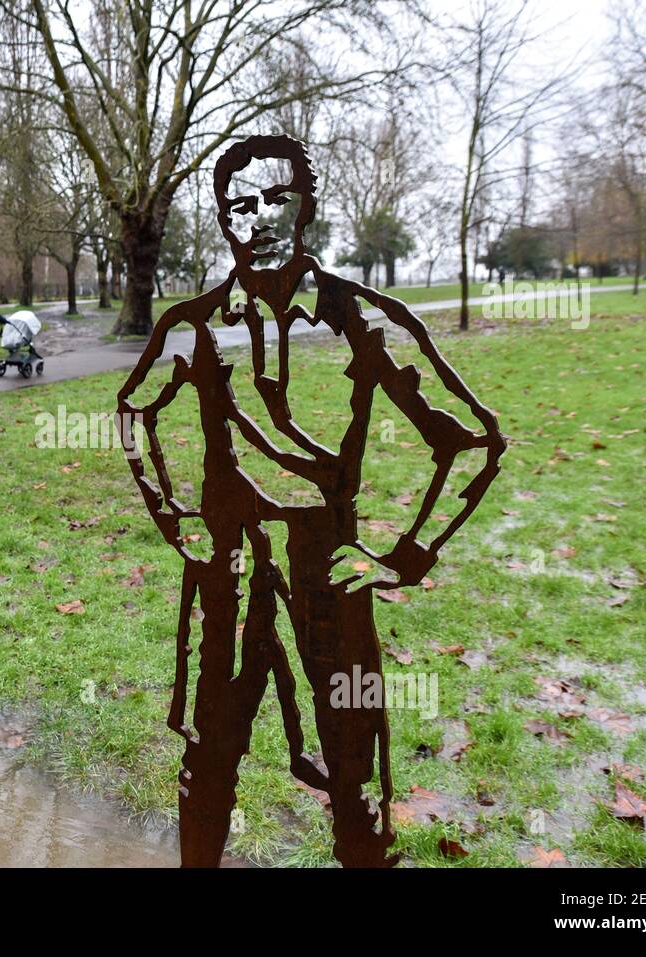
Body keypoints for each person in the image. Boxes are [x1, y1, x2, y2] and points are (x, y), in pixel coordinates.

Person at [117, 134, 505, 867]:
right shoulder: (195, 325)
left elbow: (472, 440)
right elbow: (134, 408)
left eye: (276, 199)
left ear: (307, 207)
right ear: (221, 216)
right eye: (238, 205)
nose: (256, 218)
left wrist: (404, 556)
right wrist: (173, 515)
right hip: (226, 576)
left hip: (328, 575)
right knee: (207, 761)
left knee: (355, 775)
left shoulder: (360, 317)